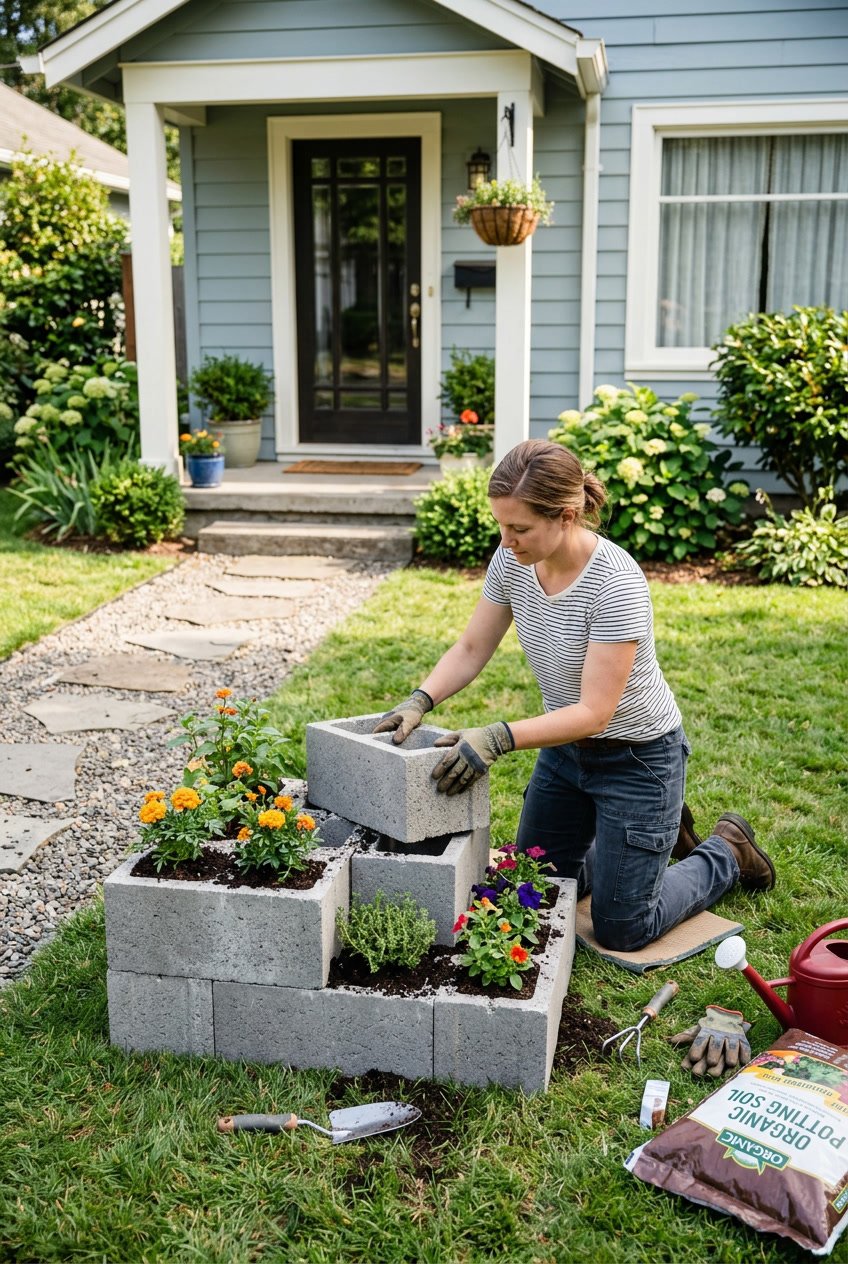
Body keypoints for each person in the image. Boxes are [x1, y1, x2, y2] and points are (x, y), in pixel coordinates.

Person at [373, 439, 775, 952]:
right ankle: (640, 842)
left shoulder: (616, 582)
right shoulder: (511, 561)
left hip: (638, 760)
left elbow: (594, 712)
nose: (506, 540)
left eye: (519, 528)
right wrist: (418, 700)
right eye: (502, 525)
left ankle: (726, 852)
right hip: (565, 757)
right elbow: (473, 646)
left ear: (567, 515)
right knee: (529, 894)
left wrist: (497, 737)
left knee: (623, 927)